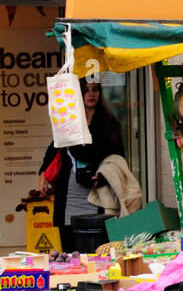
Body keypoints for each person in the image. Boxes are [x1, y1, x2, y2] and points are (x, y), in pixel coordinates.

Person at [39, 79, 126, 250]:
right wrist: (43, 173)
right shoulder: (69, 122)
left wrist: (101, 178)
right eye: (86, 90)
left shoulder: (109, 124)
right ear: (79, 94)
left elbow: (118, 158)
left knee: (97, 249)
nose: (91, 94)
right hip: (69, 196)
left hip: (98, 194)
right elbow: (53, 149)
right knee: (70, 250)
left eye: (95, 89)